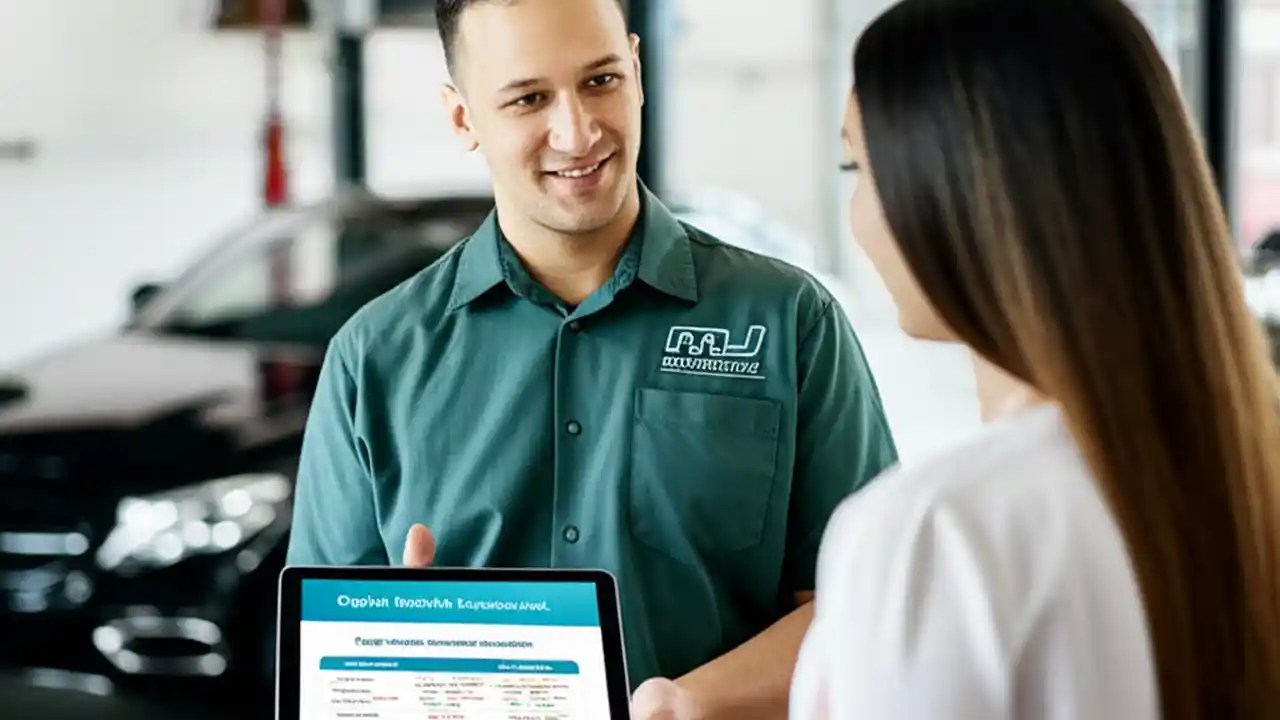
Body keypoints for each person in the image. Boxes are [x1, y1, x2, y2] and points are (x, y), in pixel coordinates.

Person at [285, 0, 898, 716]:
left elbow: (868, 611)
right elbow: (323, 670)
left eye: (601, 81)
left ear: (637, 72)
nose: (577, 132)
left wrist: (690, 703)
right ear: (463, 119)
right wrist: (388, 661)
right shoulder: (374, 358)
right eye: (529, 99)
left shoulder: (788, 321)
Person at [781, 0, 1280, 718]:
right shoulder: (1241, 475)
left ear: (955, 187)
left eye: (856, 163)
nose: (858, 210)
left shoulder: (935, 530)